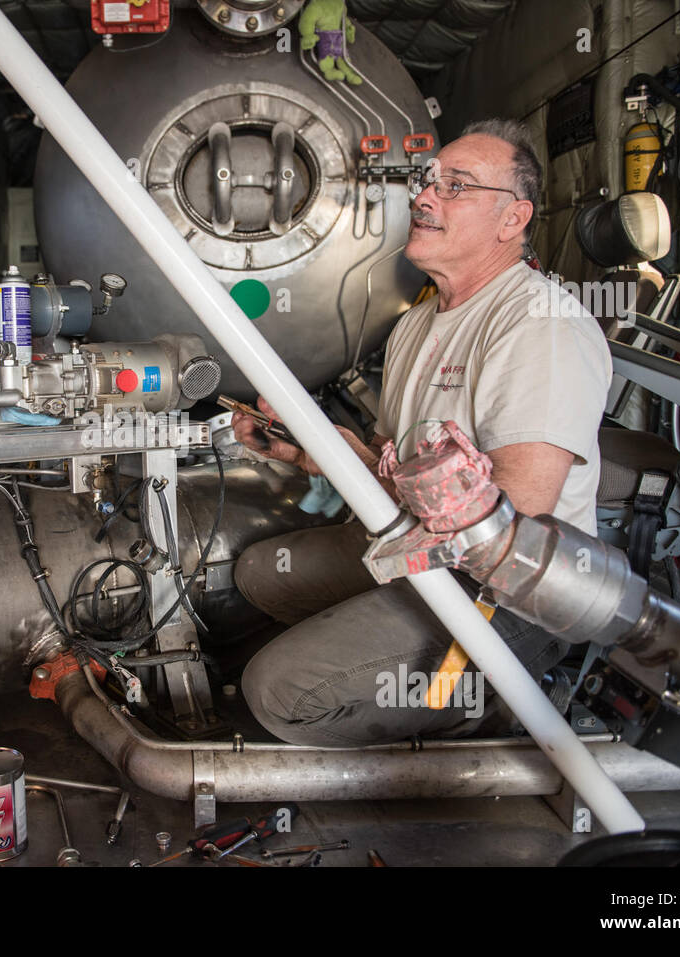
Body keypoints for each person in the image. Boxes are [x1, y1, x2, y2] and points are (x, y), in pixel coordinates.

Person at [233, 118, 613, 747]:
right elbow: (393, 459)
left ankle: (477, 712)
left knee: (278, 693)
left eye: (456, 186)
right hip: (418, 547)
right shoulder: (418, 323)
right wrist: (320, 451)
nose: (424, 197)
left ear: (512, 220)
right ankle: (378, 654)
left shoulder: (540, 324)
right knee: (260, 574)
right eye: (427, 181)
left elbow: (515, 517)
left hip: (509, 590)